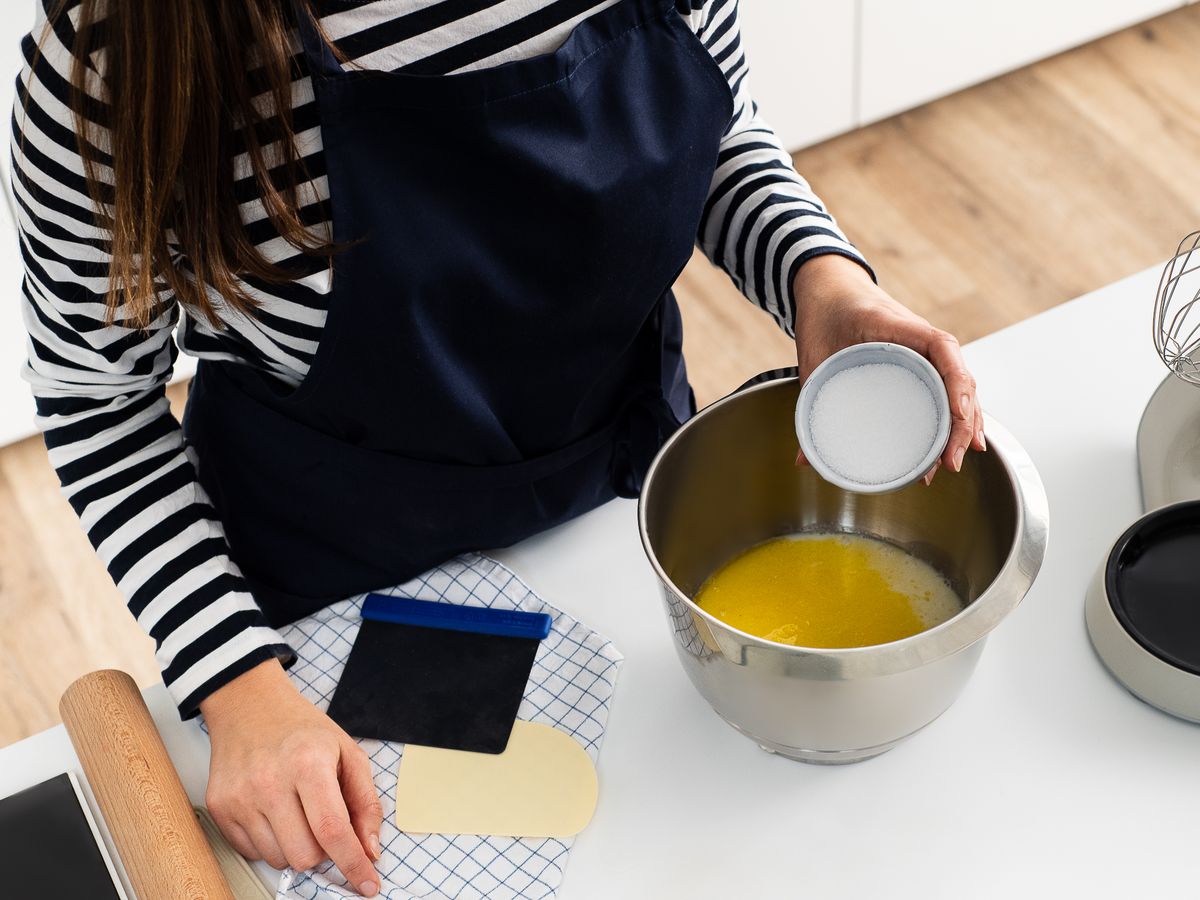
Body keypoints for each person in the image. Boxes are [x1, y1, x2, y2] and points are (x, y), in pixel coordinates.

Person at [12, 0, 985, 895]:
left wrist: (822, 278)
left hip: (619, 500)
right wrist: (237, 688)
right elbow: (97, 402)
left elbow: (715, 132)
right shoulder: (116, 62)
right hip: (336, 592)